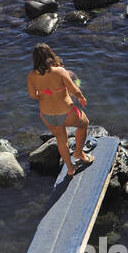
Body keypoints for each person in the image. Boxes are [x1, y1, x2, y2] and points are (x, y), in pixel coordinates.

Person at [27, 43, 91, 176]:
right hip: (67, 112)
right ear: (50, 54)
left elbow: (33, 95)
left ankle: (70, 168)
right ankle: (78, 153)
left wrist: (46, 93)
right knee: (84, 124)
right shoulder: (60, 71)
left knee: (61, 140)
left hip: (47, 115)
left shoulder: (31, 76)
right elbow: (75, 89)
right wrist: (81, 98)